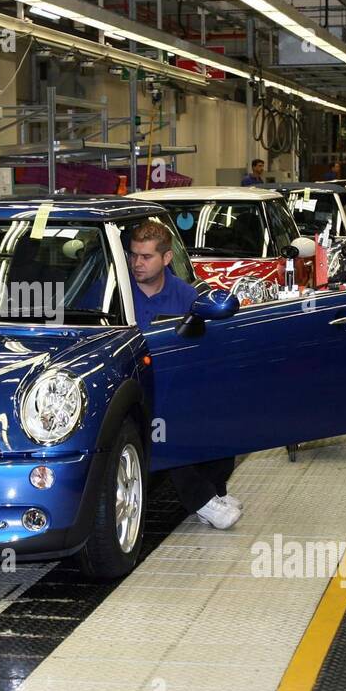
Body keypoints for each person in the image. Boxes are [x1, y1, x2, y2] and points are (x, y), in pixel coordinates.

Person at [127, 220, 242, 530]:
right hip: (132, 386)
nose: (137, 263)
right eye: (134, 255)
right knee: (167, 423)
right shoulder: (116, 291)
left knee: (219, 413)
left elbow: (202, 348)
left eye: (146, 256)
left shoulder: (185, 296)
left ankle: (216, 490)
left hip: (174, 382)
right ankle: (203, 500)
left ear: (166, 259)